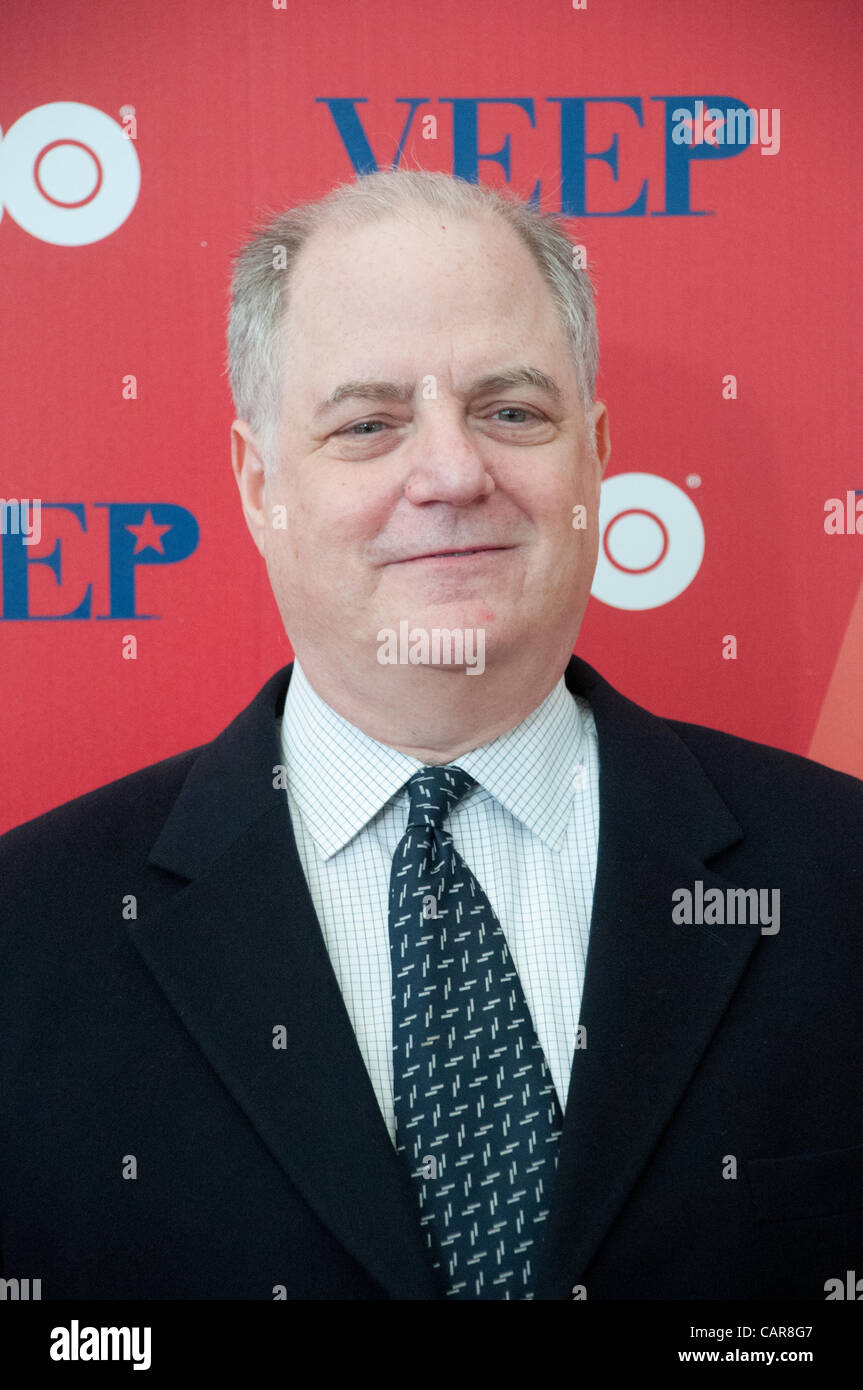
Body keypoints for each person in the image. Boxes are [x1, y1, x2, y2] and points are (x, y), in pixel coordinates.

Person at [1, 169, 861, 1302]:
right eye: (368, 424)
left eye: (511, 411)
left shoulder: (839, 872)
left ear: (594, 456)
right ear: (259, 481)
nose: (452, 474)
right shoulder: (27, 936)